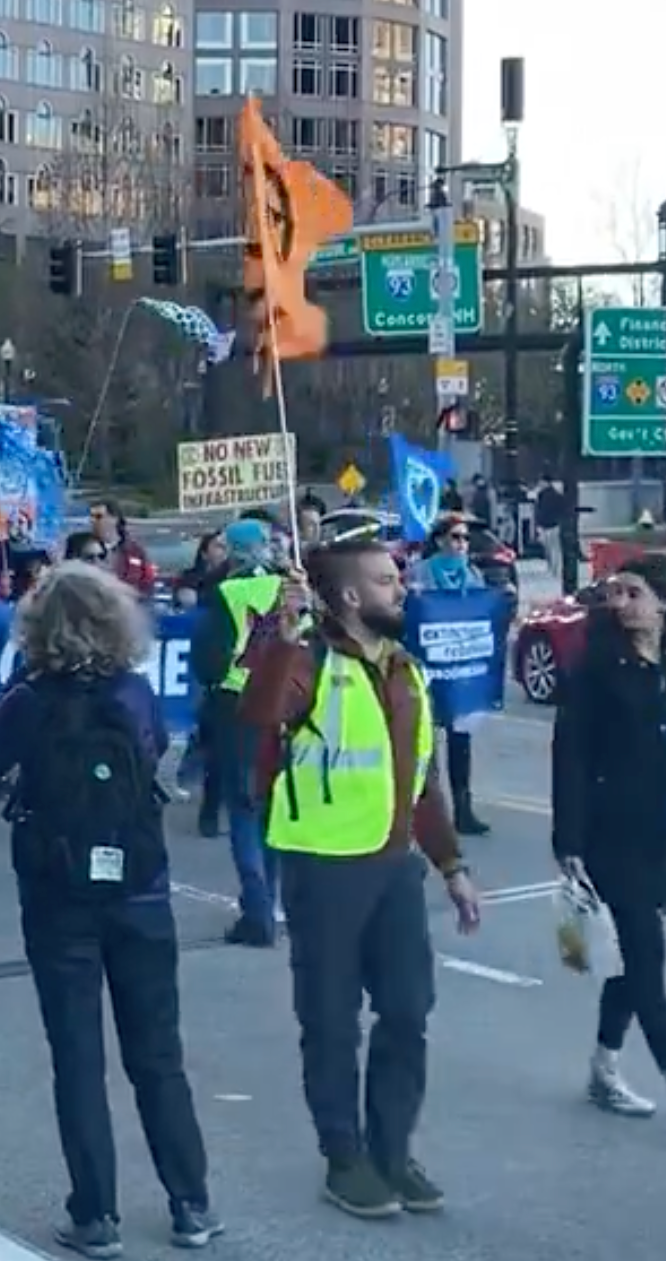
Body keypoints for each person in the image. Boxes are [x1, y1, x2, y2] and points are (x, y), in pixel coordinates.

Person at [0, 563, 221, 1254]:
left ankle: (95, 1213)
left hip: (58, 893)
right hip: (139, 888)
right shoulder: (135, 693)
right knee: (158, 1054)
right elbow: (156, 753)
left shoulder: (31, 698)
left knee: (78, 1057)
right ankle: (191, 1202)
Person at [237, 534, 484, 1220]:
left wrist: (452, 866)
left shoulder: (406, 671)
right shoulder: (310, 659)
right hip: (323, 867)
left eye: (396, 577)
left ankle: (392, 1149)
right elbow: (258, 715)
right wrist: (281, 642)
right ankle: (344, 1158)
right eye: (385, 580)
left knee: (408, 1010)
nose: (400, 587)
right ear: (349, 596)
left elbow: (419, 783)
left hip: (394, 867)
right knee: (331, 1020)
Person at [550, 552, 666, 1134]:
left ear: (662, 601)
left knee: (632, 961)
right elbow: (571, 753)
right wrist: (569, 837)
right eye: (615, 592)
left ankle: (604, 1069)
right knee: (645, 955)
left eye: (633, 592)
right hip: (610, 828)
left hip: (661, 824)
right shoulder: (597, 667)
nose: (620, 603)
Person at [193, 517, 293, 940]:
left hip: (238, 708)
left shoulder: (223, 594)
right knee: (273, 809)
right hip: (286, 705)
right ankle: (274, 900)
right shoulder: (290, 590)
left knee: (244, 810)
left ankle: (256, 910)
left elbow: (209, 663)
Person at [413, 520, 493, 837]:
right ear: (441, 541)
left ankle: (464, 809)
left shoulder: (472, 574)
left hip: (461, 669)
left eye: (466, 539)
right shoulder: (421, 573)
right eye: (456, 537)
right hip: (429, 668)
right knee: (425, 745)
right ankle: (427, 814)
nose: (462, 544)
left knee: (461, 740)